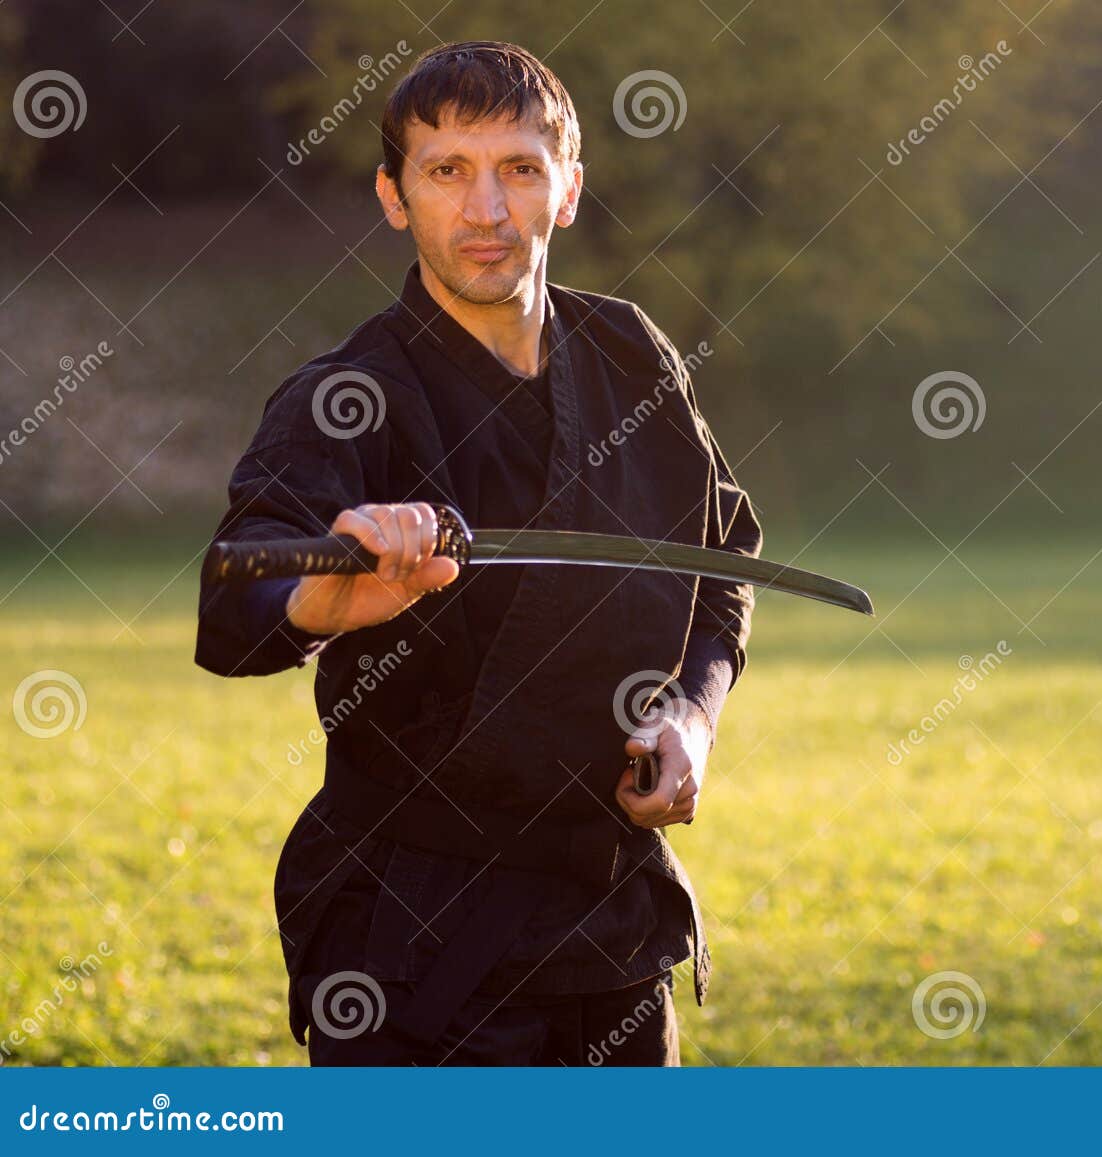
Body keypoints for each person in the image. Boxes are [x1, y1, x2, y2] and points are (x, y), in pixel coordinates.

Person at [193, 40, 761, 1066]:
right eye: (447, 171)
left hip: (610, 930)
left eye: (519, 169)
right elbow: (237, 599)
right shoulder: (349, 393)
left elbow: (723, 561)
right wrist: (340, 592)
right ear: (394, 196)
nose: (486, 210)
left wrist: (692, 715)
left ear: (569, 189)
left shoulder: (632, 353)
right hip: (413, 939)